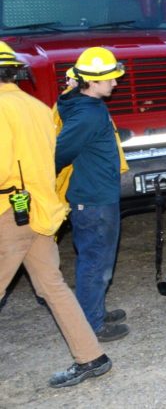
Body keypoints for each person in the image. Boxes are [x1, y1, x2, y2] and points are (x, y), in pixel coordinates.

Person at [1, 43, 113, 388]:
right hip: (40, 211)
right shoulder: (35, 106)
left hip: (8, 212)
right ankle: (91, 356)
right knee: (53, 286)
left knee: (53, 286)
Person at [55, 47, 131, 342]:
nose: (116, 83)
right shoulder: (86, 115)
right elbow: (59, 154)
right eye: (110, 79)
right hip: (93, 199)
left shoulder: (86, 104)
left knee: (99, 259)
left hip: (98, 194)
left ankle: (93, 310)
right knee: (95, 262)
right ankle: (91, 324)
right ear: (92, 82)